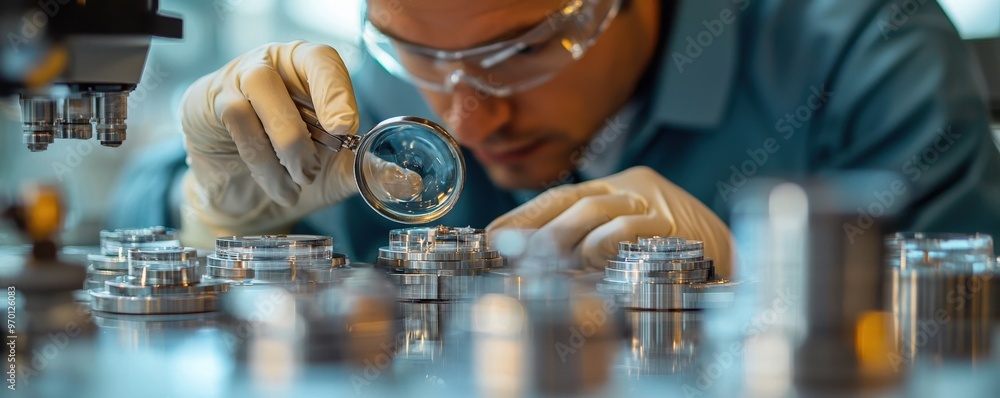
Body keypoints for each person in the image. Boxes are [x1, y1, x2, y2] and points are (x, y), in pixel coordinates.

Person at [113, 0, 1000, 273]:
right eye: (420, 54)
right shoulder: (375, 90)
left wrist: (767, 288)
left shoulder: (861, 48)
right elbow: (131, 220)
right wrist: (210, 209)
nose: (463, 119)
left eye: (524, 52)